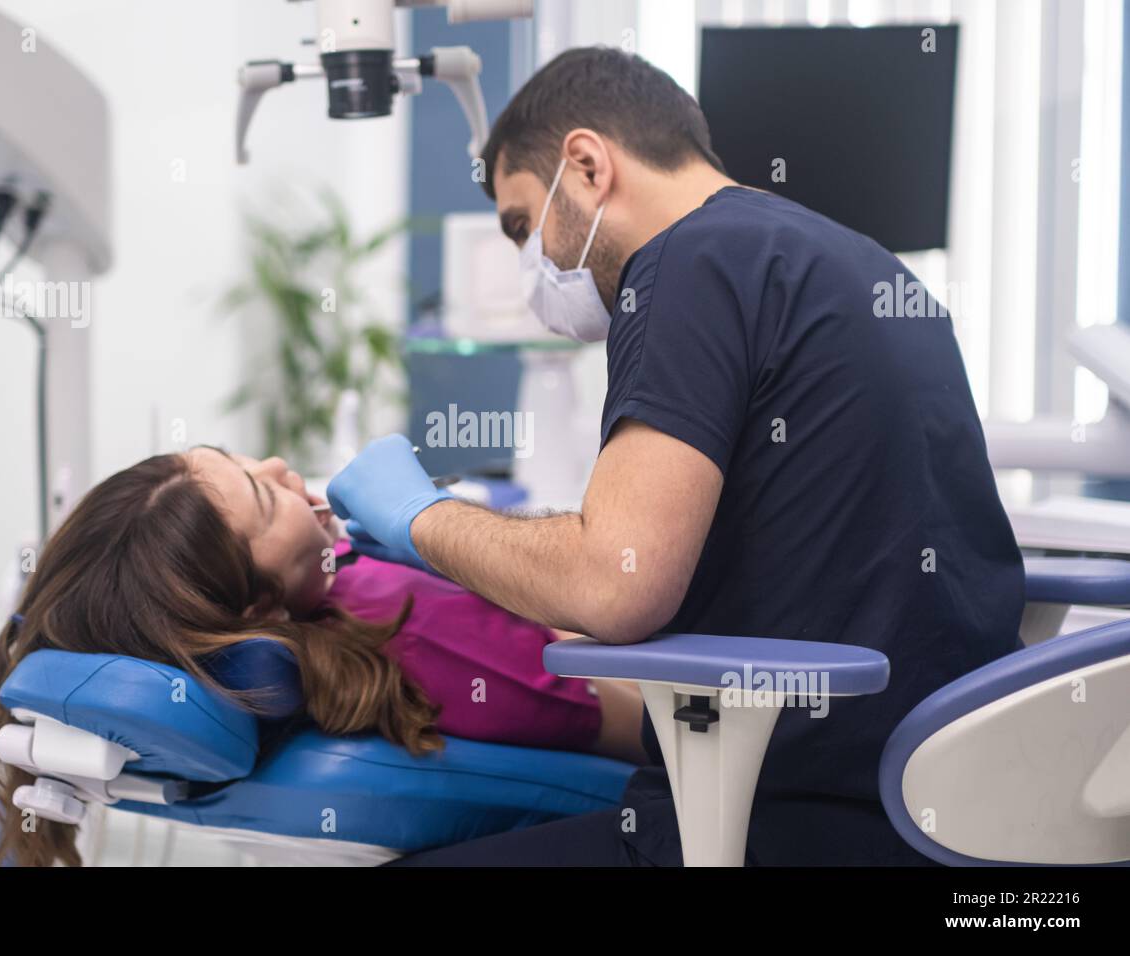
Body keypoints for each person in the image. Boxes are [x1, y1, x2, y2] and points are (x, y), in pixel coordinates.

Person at [328, 47, 1025, 866]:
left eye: (523, 225)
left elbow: (618, 582)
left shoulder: (688, 261)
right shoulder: (863, 261)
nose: (533, 265)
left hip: (779, 820)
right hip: (957, 810)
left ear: (586, 165)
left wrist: (423, 519)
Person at [0, 446, 648, 867]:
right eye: (264, 496)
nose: (281, 468)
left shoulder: (333, 608)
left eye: (243, 461)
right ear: (260, 607)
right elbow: (636, 723)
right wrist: (445, 531)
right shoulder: (410, 622)